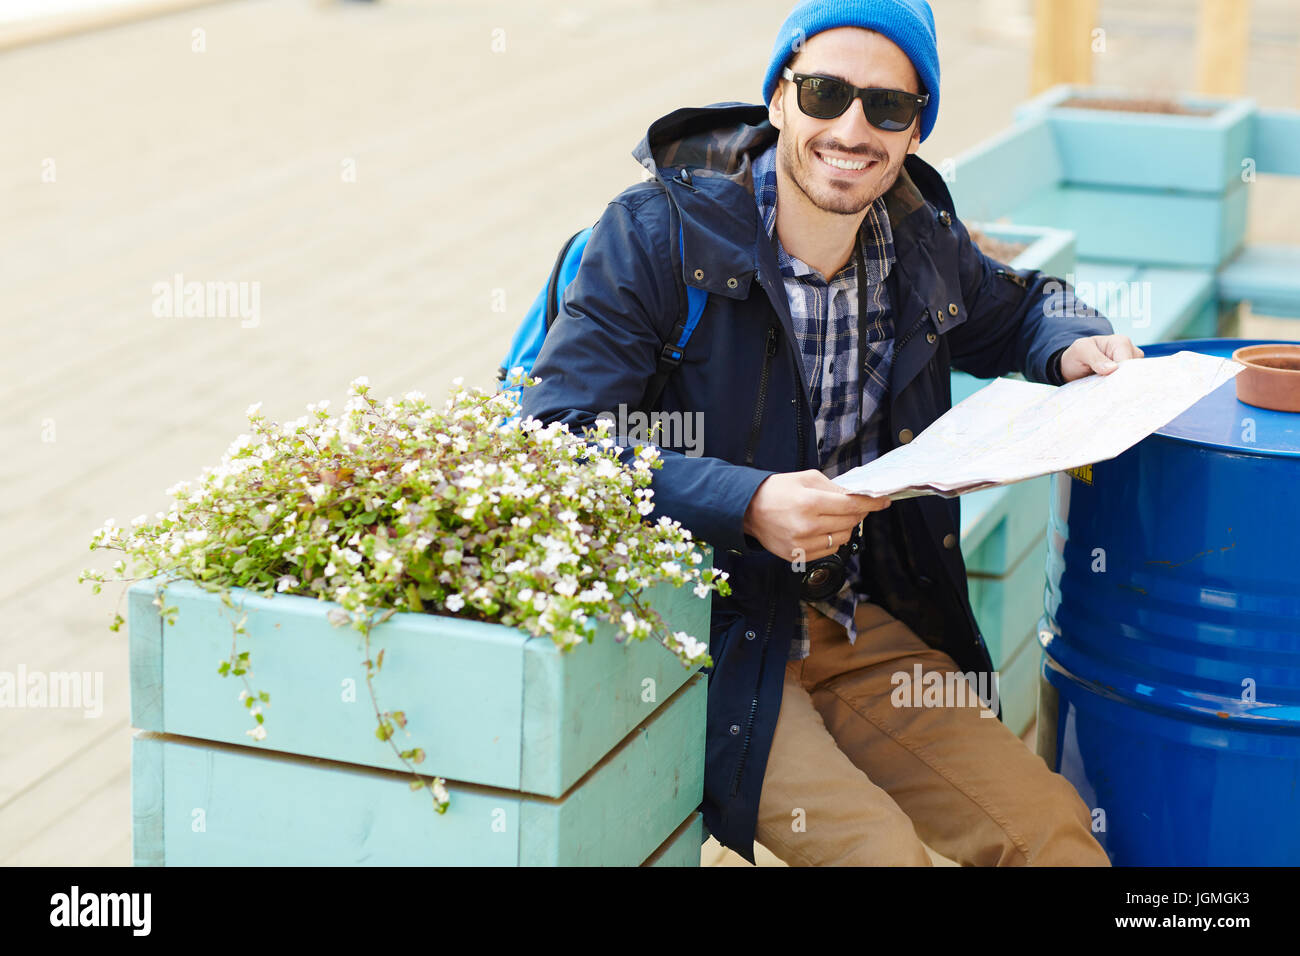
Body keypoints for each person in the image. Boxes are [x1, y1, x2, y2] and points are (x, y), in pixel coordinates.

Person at [522, 0, 1134, 866]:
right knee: (880, 855)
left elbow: (1027, 303)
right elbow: (555, 435)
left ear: (915, 129)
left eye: (887, 107)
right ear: (778, 98)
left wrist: (1072, 344)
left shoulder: (915, 236)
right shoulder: (658, 233)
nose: (852, 128)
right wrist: (747, 500)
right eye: (824, 93)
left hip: (853, 620)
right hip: (713, 637)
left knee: (1054, 836)